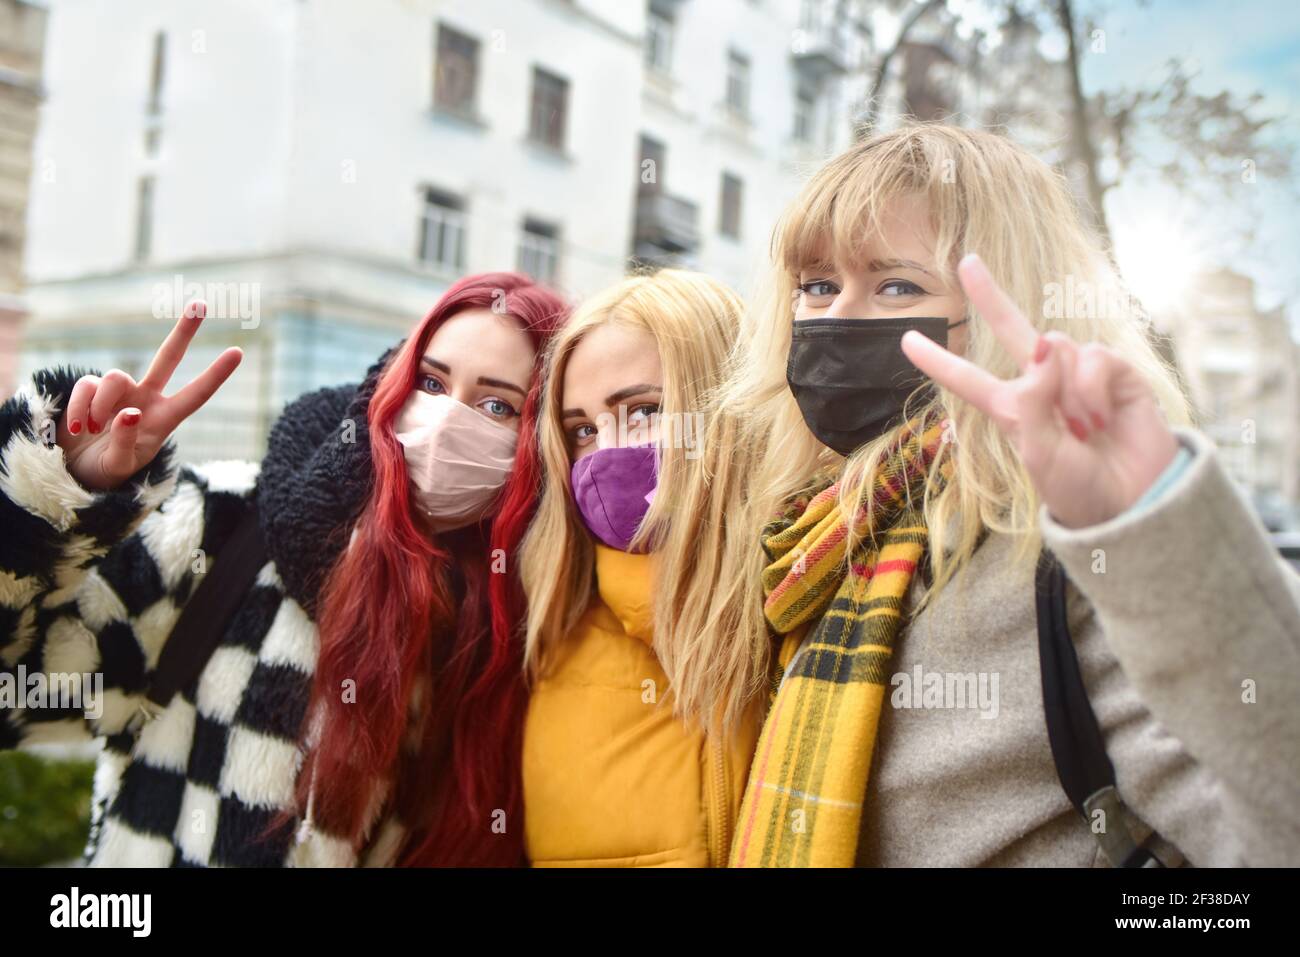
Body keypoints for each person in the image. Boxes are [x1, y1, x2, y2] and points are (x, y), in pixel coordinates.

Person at [717, 124, 1300, 867]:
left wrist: (1155, 522)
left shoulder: (1066, 562)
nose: (834, 317)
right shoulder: (816, 549)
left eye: (897, 284)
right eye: (818, 286)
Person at [0, 272, 568, 866]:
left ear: (540, 440)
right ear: (391, 386)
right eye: (430, 381)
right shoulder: (221, 526)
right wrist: (54, 496)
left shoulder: (529, 633)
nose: (446, 420)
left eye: (497, 404)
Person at [512, 269, 767, 866]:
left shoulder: (810, 597)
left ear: (726, 406)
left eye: (644, 411)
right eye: (581, 429)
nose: (605, 453)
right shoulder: (554, 628)